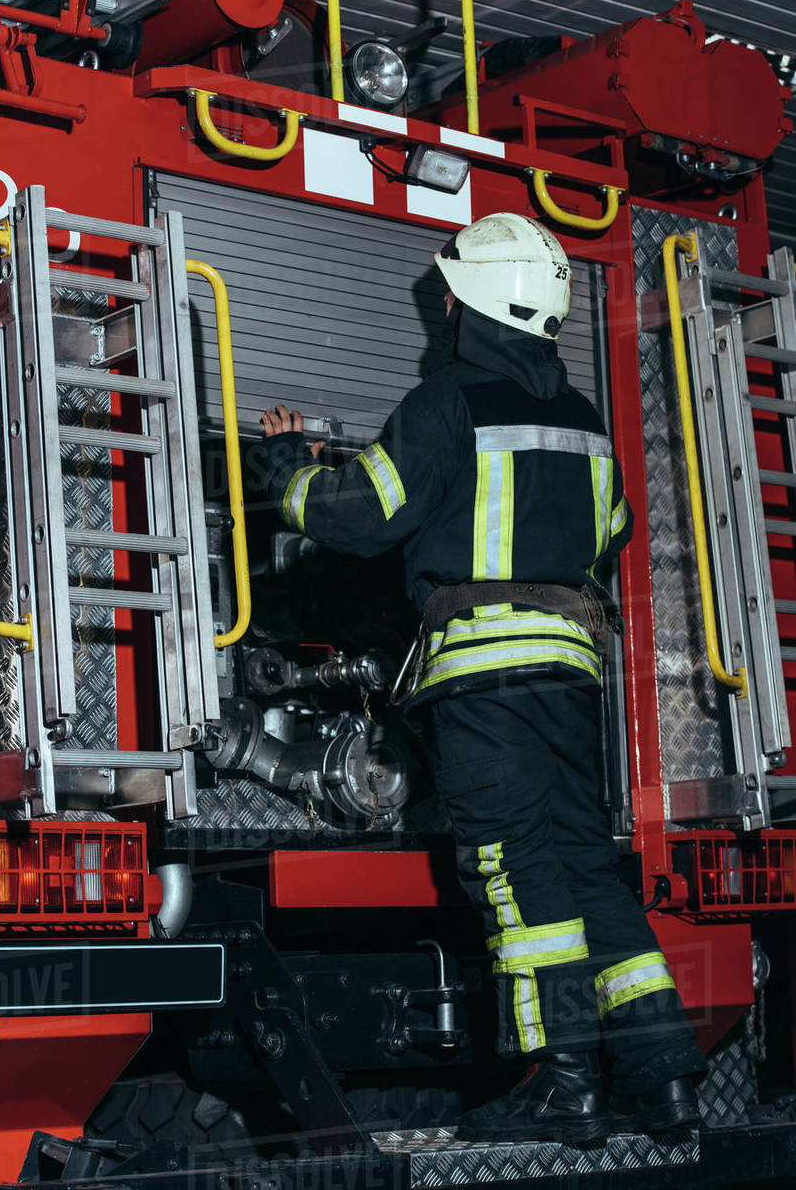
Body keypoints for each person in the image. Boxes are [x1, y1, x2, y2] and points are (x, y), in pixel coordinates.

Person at [258, 212, 707, 1144]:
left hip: (484, 682)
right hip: (570, 676)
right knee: (588, 868)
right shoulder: (584, 420)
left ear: (468, 304)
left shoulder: (445, 402)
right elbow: (613, 529)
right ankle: (666, 1078)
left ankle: (565, 1081)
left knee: (514, 870)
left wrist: (286, 473)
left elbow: (364, 513)